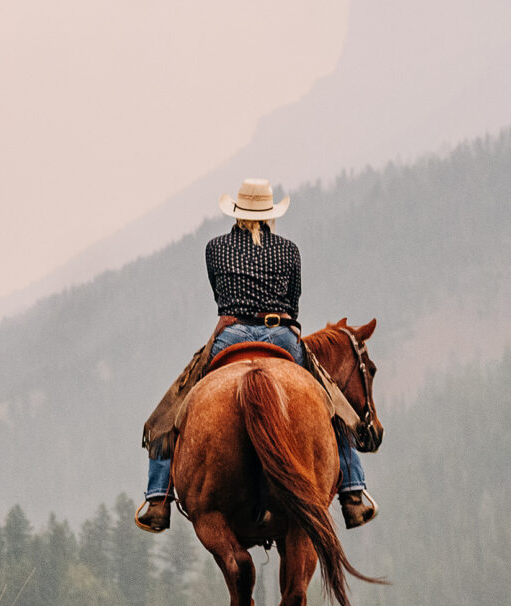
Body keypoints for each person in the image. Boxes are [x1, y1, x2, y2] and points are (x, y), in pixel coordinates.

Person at [136, 178, 377, 534]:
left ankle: (157, 499)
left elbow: (219, 294)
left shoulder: (215, 248)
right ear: (269, 214)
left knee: (170, 410)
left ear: (236, 211)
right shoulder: (289, 250)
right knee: (335, 407)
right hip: (282, 337)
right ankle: (353, 494)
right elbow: (293, 302)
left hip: (230, 333)